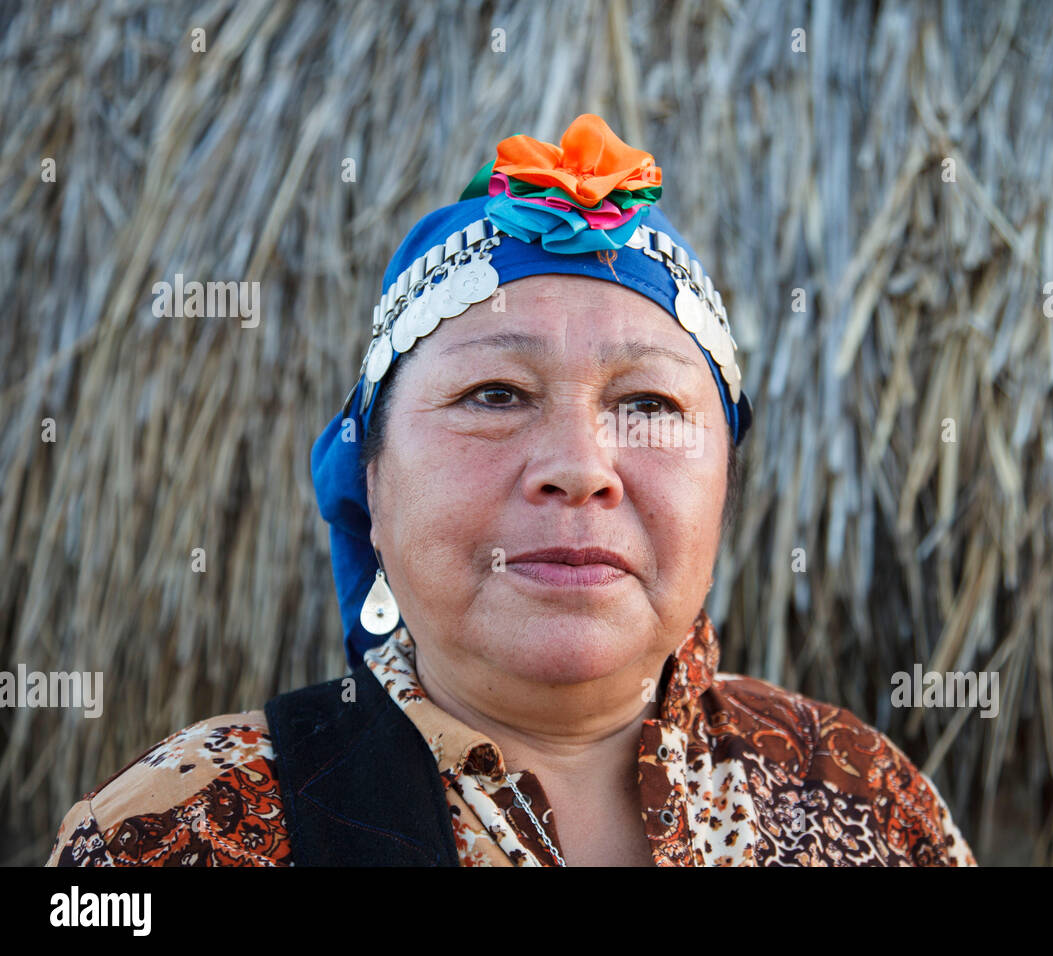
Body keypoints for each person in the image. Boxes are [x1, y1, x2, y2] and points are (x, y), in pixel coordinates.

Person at [46, 114, 976, 867]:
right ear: (369, 474)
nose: (579, 466)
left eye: (648, 402)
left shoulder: (865, 801)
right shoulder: (173, 834)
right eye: (495, 394)